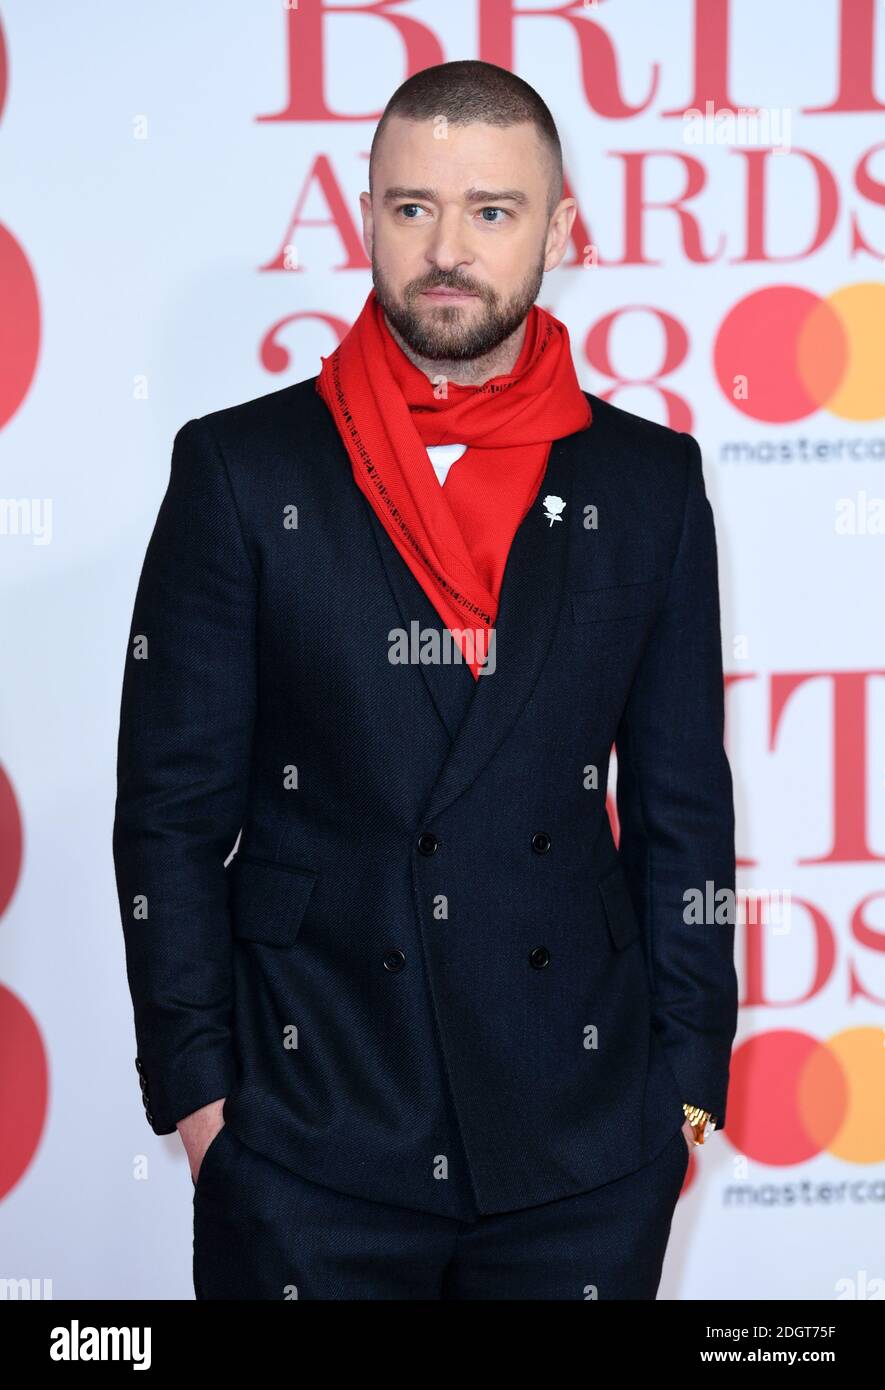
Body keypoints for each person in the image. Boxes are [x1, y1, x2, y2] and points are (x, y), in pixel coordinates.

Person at [113, 59, 738, 1300]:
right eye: (413, 208)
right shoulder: (242, 469)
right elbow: (170, 816)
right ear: (364, 217)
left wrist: (683, 1092)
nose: (447, 249)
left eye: (492, 211)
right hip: (309, 1134)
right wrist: (199, 1100)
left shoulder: (649, 484)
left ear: (560, 227)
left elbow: (685, 812)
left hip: (581, 1141)